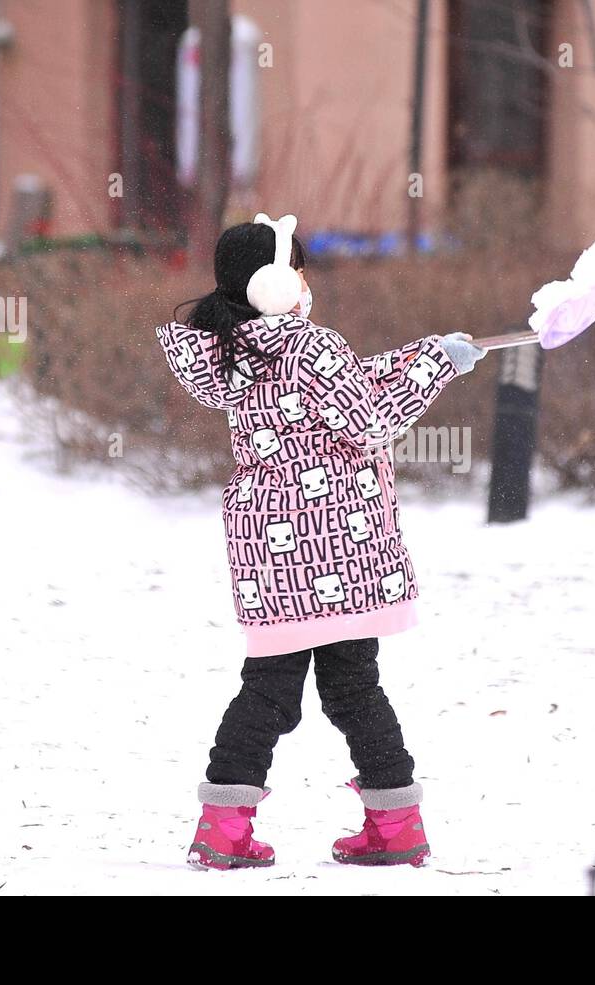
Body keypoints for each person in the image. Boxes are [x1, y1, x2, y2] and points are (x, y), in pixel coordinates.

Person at [156, 213, 485, 869]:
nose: (305, 282)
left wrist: (426, 354)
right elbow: (367, 418)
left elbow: (350, 382)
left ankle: (224, 827)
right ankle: (395, 825)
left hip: (274, 557)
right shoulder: (312, 347)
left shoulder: (235, 351)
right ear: (278, 282)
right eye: (297, 269)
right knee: (355, 690)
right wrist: (439, 370)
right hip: (340, 543)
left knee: (267, 691)